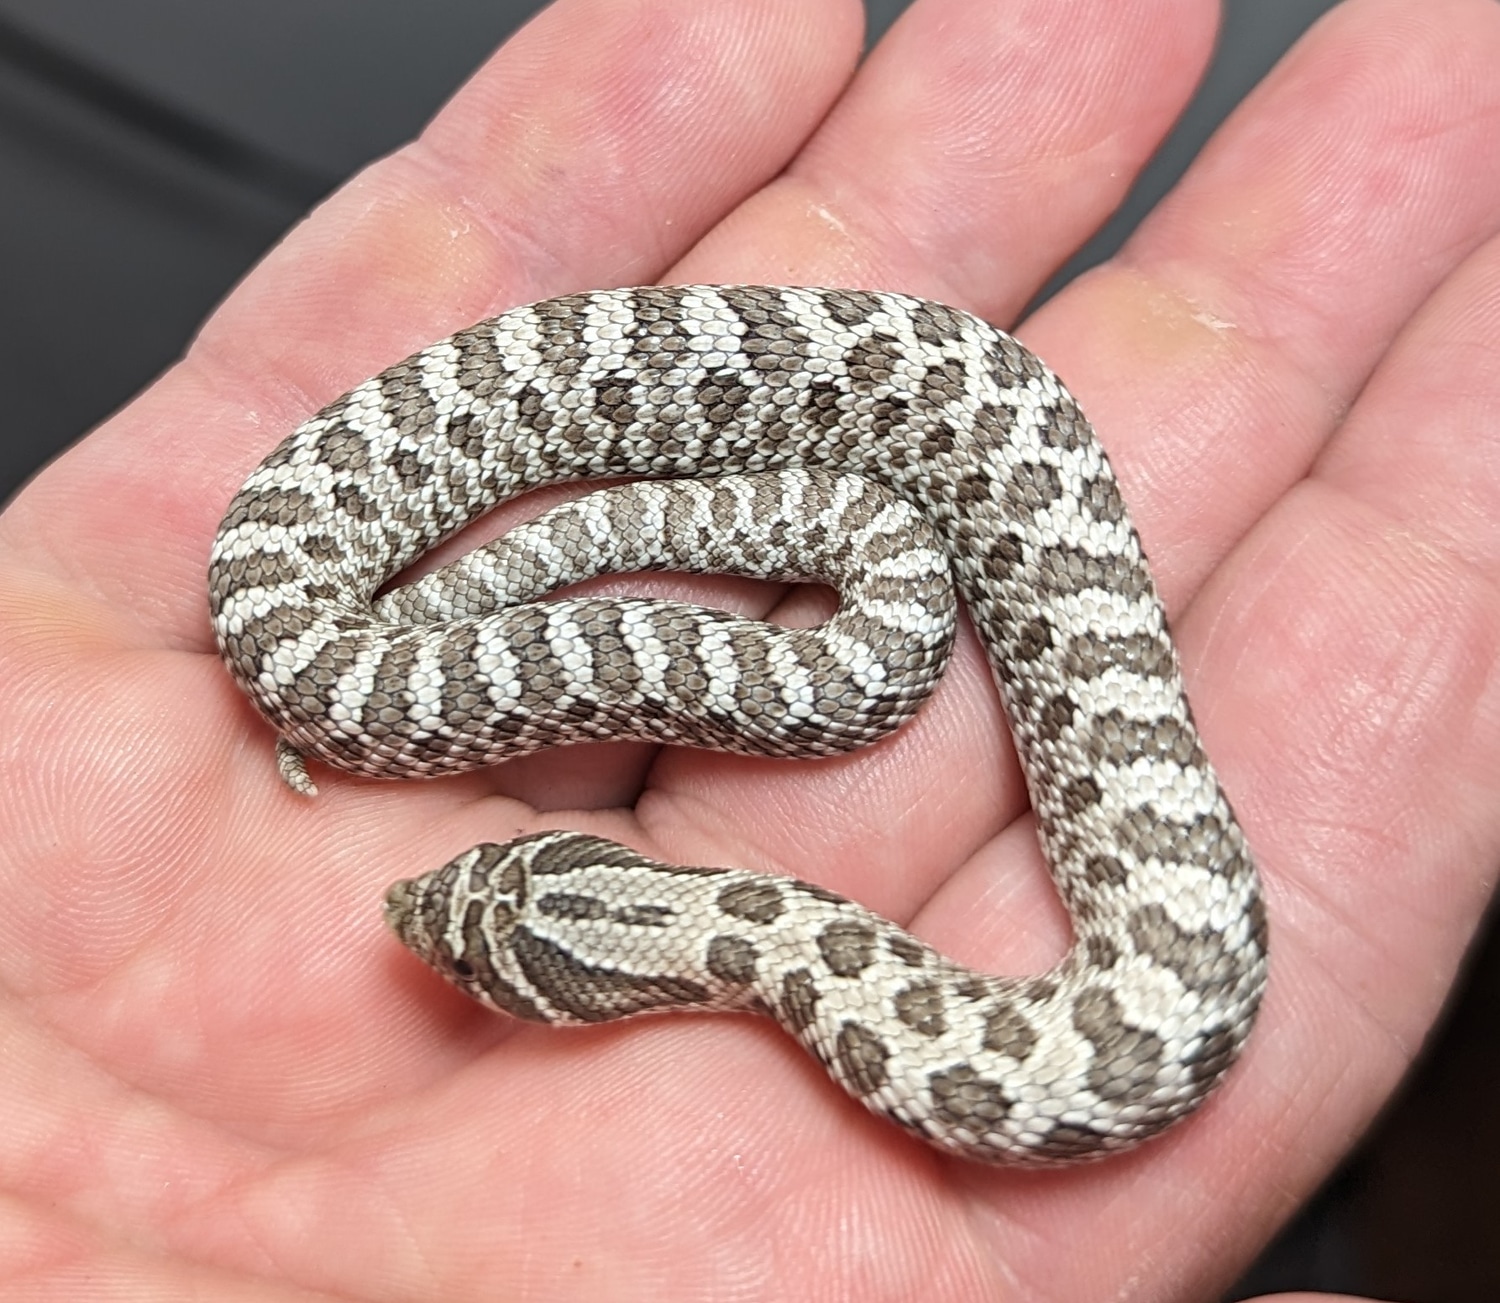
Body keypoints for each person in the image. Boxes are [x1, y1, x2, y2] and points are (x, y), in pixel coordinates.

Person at [2, 0, 1497, 1297]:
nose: (420, 917)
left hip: (929, 468)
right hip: (705, 579)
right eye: (474, 936)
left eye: (472, 942)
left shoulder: (815, 899)